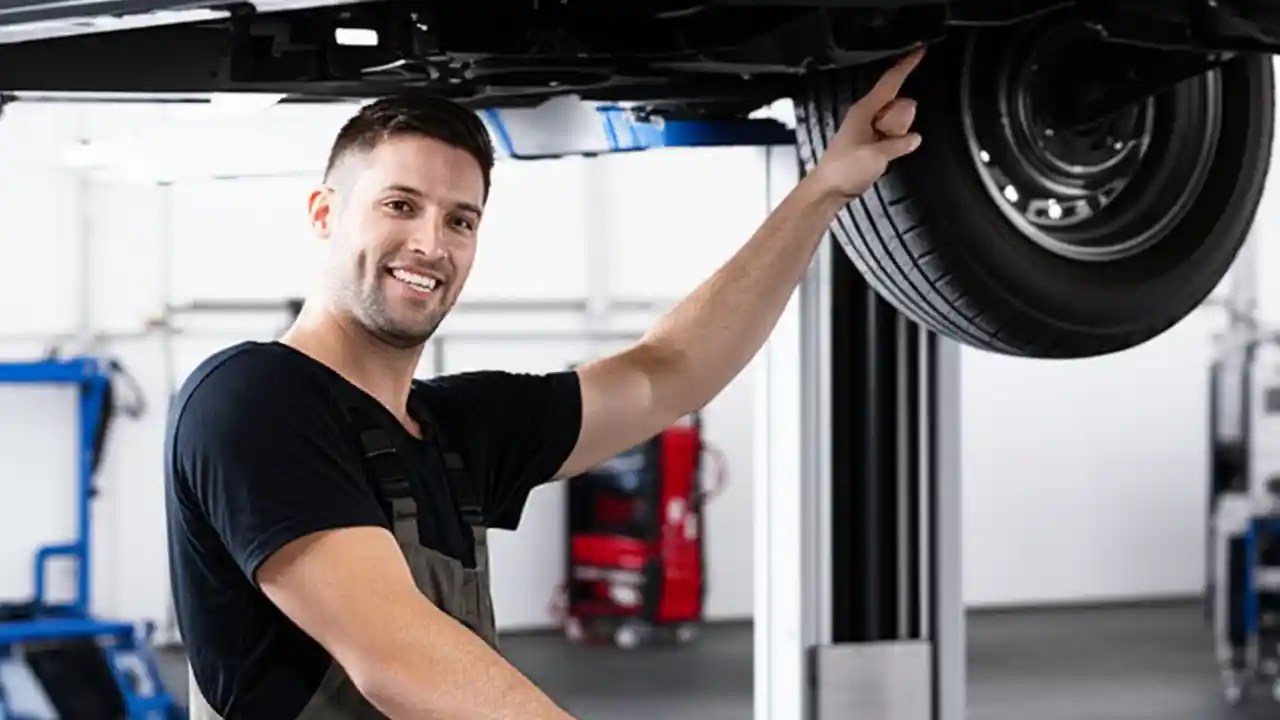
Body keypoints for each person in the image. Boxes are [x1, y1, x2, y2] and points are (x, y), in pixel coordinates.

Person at [164, 46, 925, 720]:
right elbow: (398, 660)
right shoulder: (251, 400)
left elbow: (669, 374)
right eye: (400, 205)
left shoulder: (453, 428)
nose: (430, 243)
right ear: (324, 214)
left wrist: (824, 188)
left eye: (460, 221)